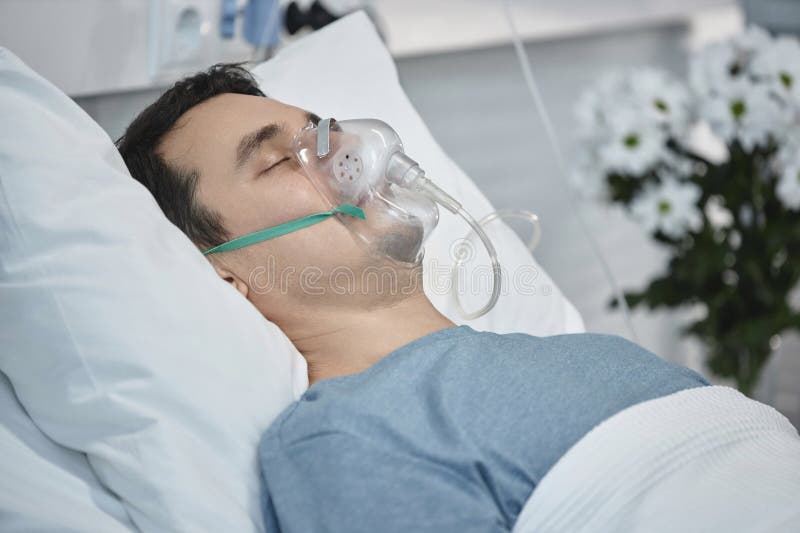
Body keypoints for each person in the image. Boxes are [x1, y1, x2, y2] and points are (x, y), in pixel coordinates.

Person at [116, 64, 709, 533]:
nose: (339, 153)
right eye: (277, 161)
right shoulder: (349, 440)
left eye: (323, 132)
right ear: (223, 277)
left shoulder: (593, 356)